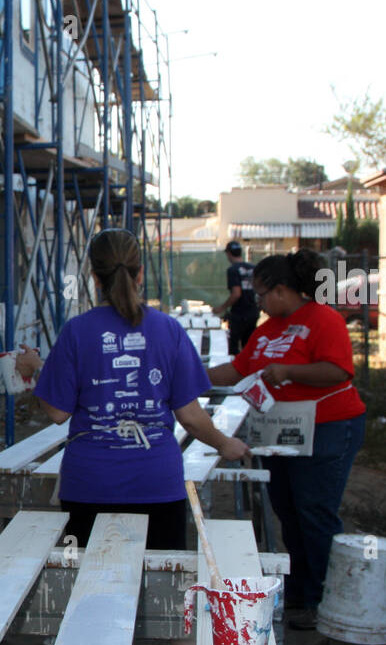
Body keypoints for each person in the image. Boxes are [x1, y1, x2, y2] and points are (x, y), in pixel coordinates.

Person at [15, 228, 249, 550]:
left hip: (89, 485)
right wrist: (225, 444)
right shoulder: (169, 329)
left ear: (95, 278)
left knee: (91, 589)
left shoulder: (76, 331)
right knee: (157, 591)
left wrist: (35, 372)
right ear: (140, 273)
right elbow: (191, 416)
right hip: (157, 483)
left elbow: (57, 411)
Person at [208, 248, 367, 629]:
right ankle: (300, 592)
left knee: (314, 511)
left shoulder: (323, 319)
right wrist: (190, 378)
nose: (258, 302)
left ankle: (324, 599)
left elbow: (338, 371)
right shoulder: (267, 330)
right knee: (288, 510)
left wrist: (289, 371)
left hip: (328, 427)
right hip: (280, 432)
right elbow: (238, 369)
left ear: (282, 290)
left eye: (262, 294)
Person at [215, 240, 259, 356]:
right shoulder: (252, 268)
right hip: (253, 312)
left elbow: (236, 293)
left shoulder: (233, 270)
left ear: (229, 253)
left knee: (233, 348)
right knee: (249, 348)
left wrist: (222, 308)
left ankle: (236, 372)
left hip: (239, 314)